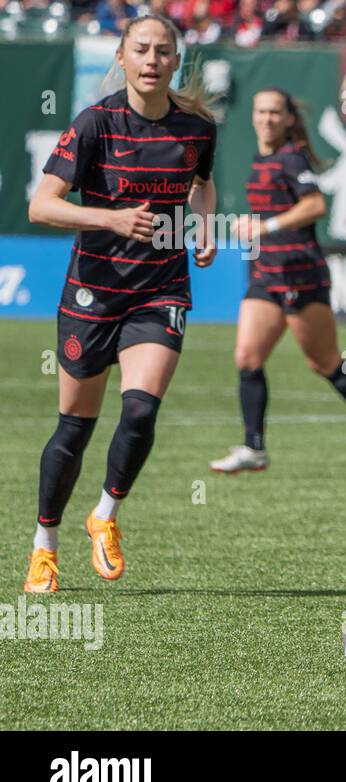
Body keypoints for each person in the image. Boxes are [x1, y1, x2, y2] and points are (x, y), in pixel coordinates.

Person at [23, 15, 217, 593]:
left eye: (163, 51)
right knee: (74, 429)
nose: (153, 59)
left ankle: (105, 514)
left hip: (161, 290)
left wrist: (203, 225)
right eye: (142, 50)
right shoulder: (94, 124)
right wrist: (110, 217)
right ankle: (45, 544)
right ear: (123, 57)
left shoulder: (197, 128)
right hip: (92, 292)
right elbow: (42, 205)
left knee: (139, 411)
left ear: (175, 60)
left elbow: (203, 182)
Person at [208, 88, 346, 478]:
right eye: (261, 111)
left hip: (300, 276)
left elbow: (315, 205)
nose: (267, 118)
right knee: (247, 358)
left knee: (325, 363)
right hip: (266, 275)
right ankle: (253, 447)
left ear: (289, 118)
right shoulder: (263, 158)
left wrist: (266, 226)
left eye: (276, 112)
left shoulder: (292, 158)